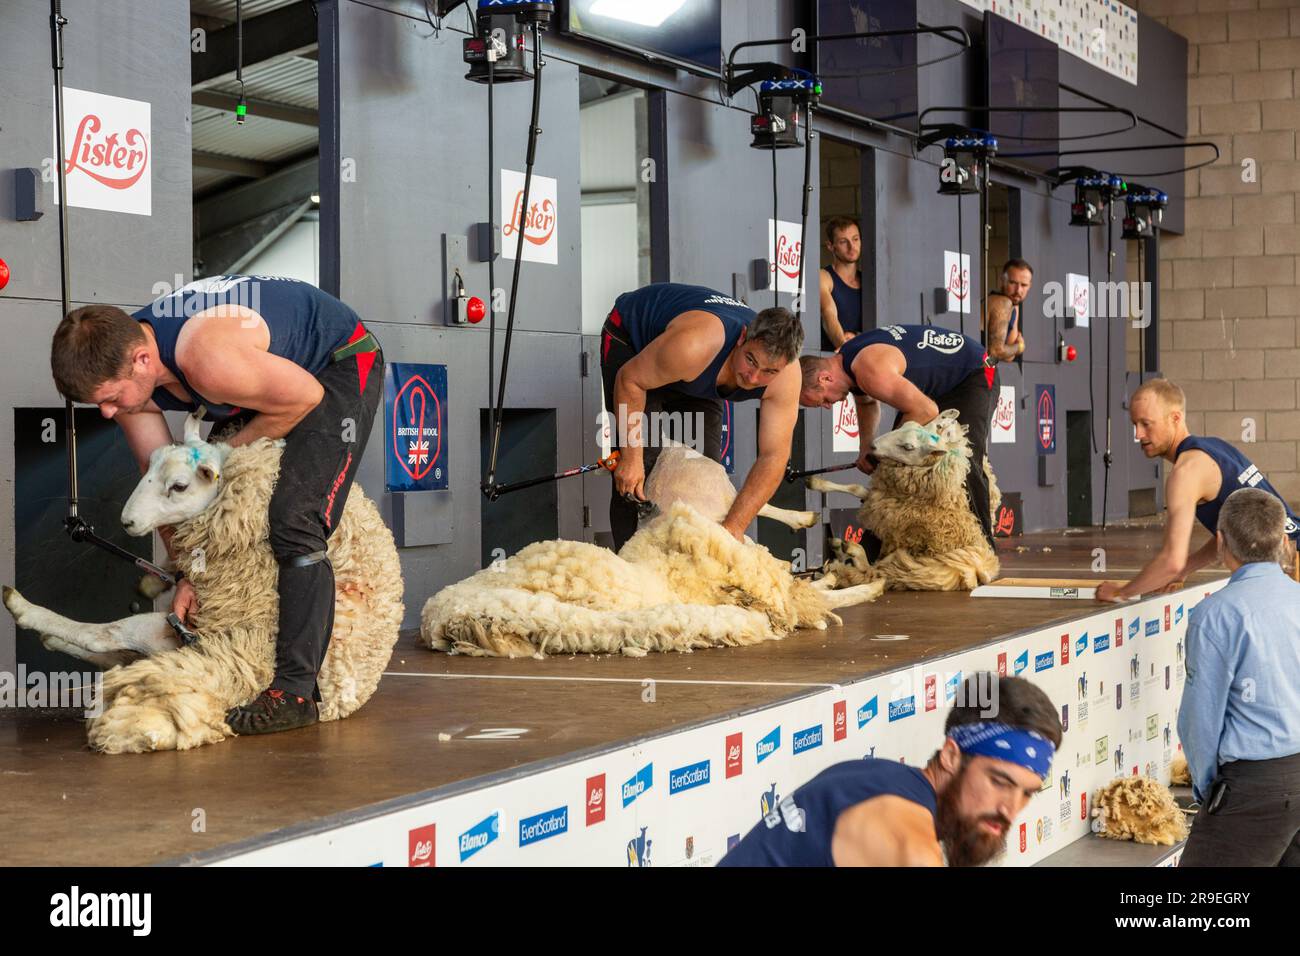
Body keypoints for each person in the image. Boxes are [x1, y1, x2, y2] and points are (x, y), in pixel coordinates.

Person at [50, 274, 383, 736]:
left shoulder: (207, 361)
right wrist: (188, 572)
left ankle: (295, 693)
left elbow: (306, 398)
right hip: (271, 372)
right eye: (98, 406)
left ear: (142, 359)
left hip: (336, 364)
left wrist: (219, 457)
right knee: (220, 512)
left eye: (109, 399)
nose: (108, 413)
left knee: (294, 519)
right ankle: (243, 654)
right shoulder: (134, 373)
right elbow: (170, 494)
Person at [717, 674, 1060, 866]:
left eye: (1027, 792)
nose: (1010, 809)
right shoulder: (909, 845)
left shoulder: (880, 778)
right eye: (999, 782)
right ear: (951, 757)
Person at [600, 282, 803, 550]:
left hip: (692, 370)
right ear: (742, 338)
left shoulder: (786, 378)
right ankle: (628, 567)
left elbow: (774, 456)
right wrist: (631, 457)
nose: (754, 378)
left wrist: (734, 528)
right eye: (751, 360)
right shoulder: (696, 344)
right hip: (634, 342)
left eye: (769, 372)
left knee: (701, 473)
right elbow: (630, 381)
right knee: (640, 465)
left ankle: (682, 568)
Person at [1176, 488, 1300, 866]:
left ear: (1220, 542)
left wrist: (1208, 786)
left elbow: (1201, 718)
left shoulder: (1215, 616)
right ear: (1282, 541)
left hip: (1254, 785)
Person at [1096, 378, 1300, 602]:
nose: (1138, 435)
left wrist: (1120, 592)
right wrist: (1185, 570)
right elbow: (1232, 533)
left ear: (1175, 418)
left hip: (1290, 564)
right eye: (1135, 424)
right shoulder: (1216, 447)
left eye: (1146, 424)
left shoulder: (1185, 473)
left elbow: (1171, 561)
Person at [799, 323, 999, 546]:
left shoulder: (869, 370)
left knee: (963, 463)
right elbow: (867, 403)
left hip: (973, 373)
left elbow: (926, 411)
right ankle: (877, 551)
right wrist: (866, 447)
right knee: (898, 467)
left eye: (823, 401)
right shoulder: (848, 362)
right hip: (938, 385)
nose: (828, 406)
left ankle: (984, 549)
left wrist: (886, 453)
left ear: (825, 379)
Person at [818, 217, 863, 351]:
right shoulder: (824, 276)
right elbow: (828, 313)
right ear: (830, 246)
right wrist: (844, 346)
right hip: (833, 357)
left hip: (864, 356)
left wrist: (858, 336)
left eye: (855, 239)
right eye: (843, 241)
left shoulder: (869, 282)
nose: (851, 246)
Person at [985, 258, 1032, 360]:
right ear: (1002, 281)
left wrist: (1011, 349)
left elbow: (1008, 358)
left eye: (1024, 285)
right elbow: (996, 352)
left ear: (1029, 286)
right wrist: (1019, 347)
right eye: (1012, 283)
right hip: (971, 369)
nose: (1018, 290)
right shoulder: (1002, 303)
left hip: (980, 368)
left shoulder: (1014, 305)